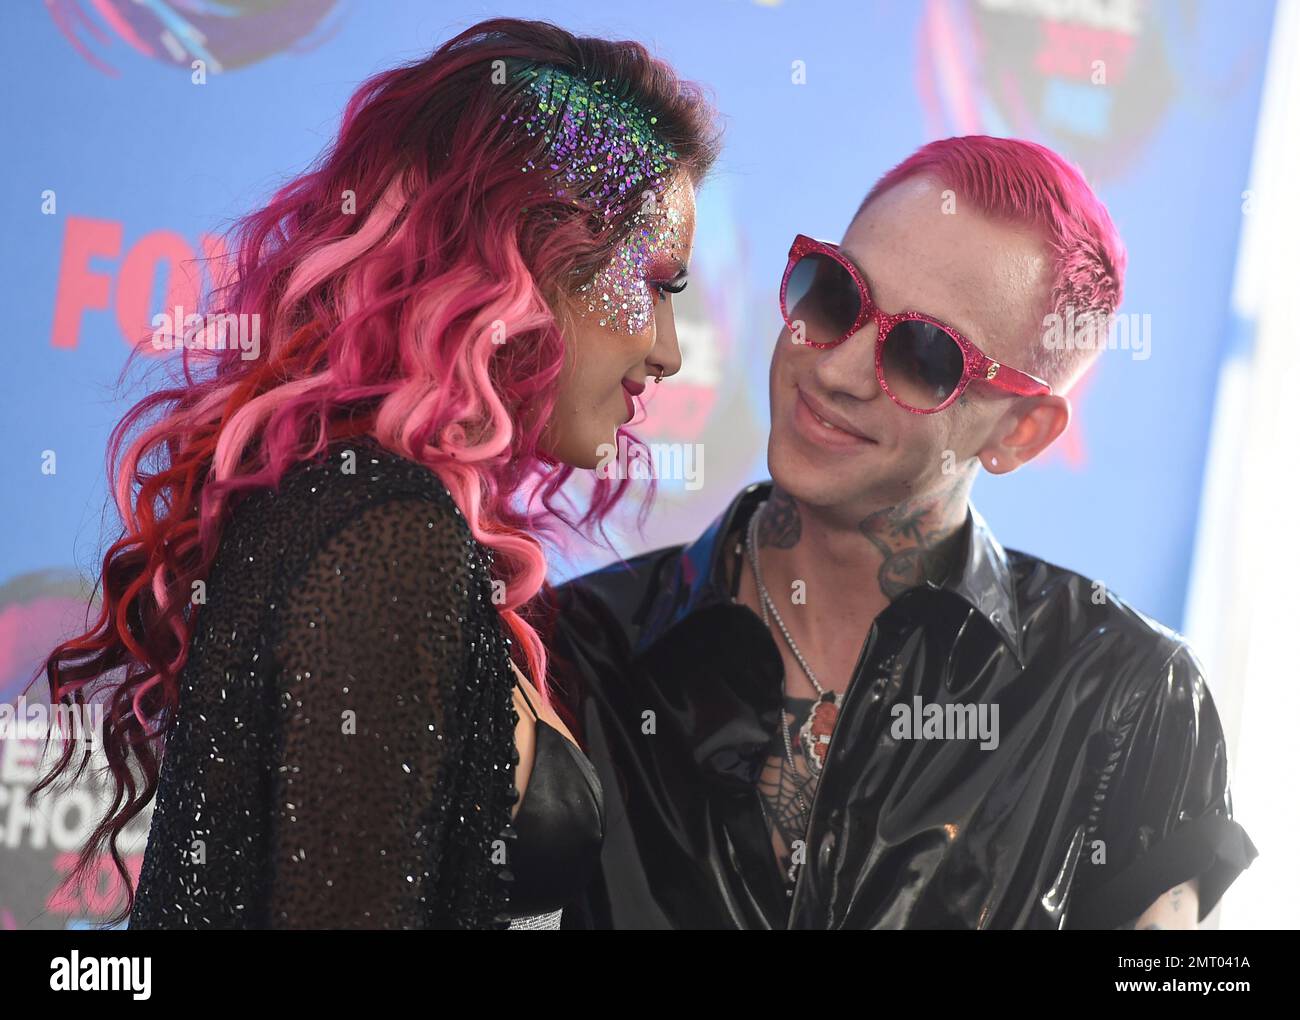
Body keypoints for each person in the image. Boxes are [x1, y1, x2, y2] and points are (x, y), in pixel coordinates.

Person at [33, 17, 718, 930]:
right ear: (529, 253)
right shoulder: (388, 537)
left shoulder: (366, 511)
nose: (668, 351)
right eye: (658, 283)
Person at [545, 135, 1258, 930]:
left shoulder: (1127, 695)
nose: (836, 371)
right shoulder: (576, 651)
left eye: (924, 355)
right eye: (836, 296)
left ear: (1020, 431)